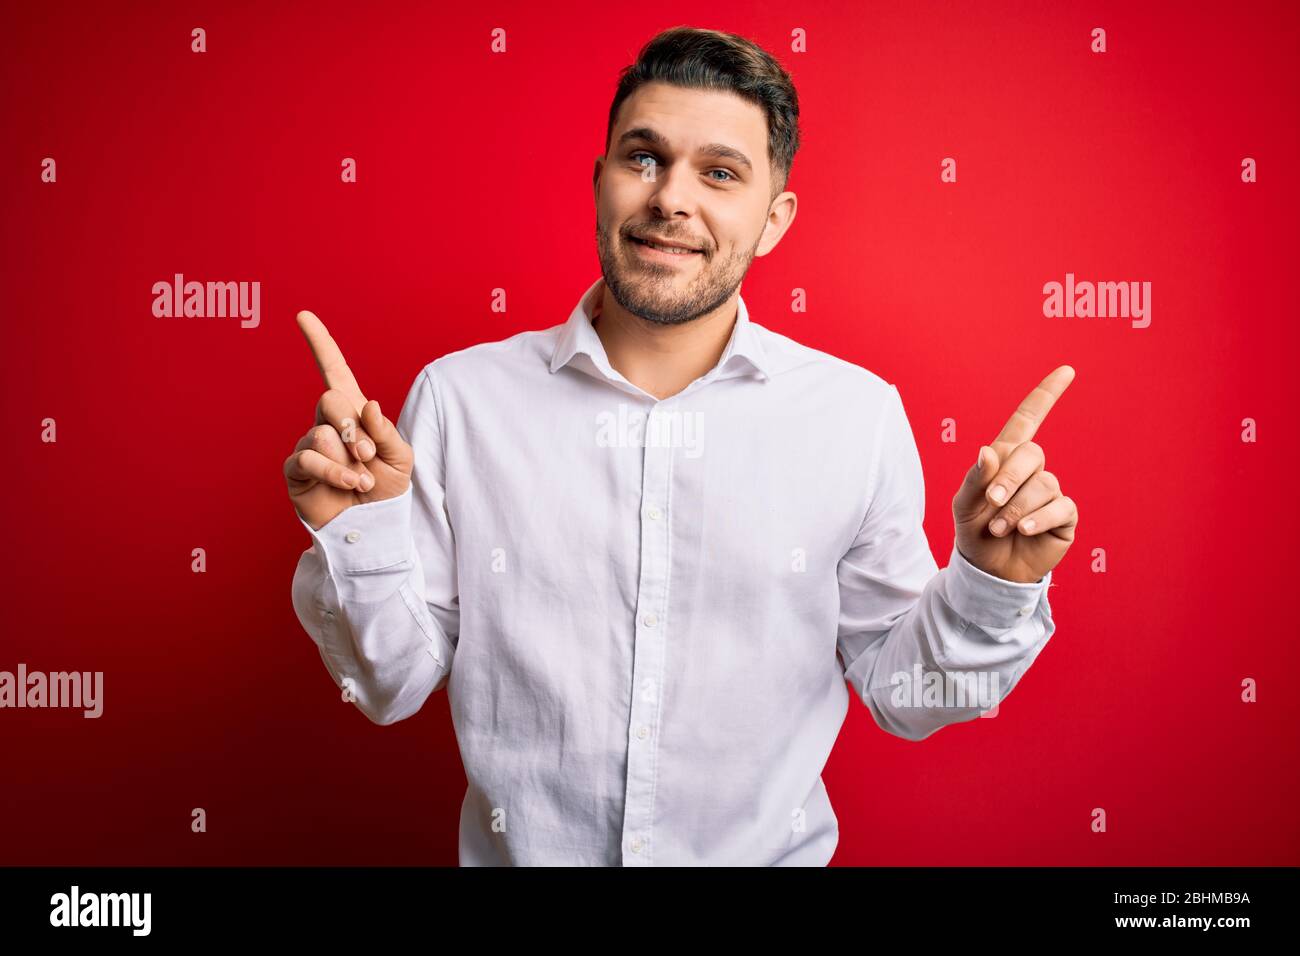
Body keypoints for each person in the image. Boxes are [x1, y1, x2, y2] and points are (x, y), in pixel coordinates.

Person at [283, 26, 1078, 866]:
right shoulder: (460, 400)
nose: (671, 198)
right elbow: (390, 686)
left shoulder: (857, 416)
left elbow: (903, 694)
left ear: (773, 221)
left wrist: (995, 587)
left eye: (721, 173)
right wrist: (356, 535)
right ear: (600, 183)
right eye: (643, 158)